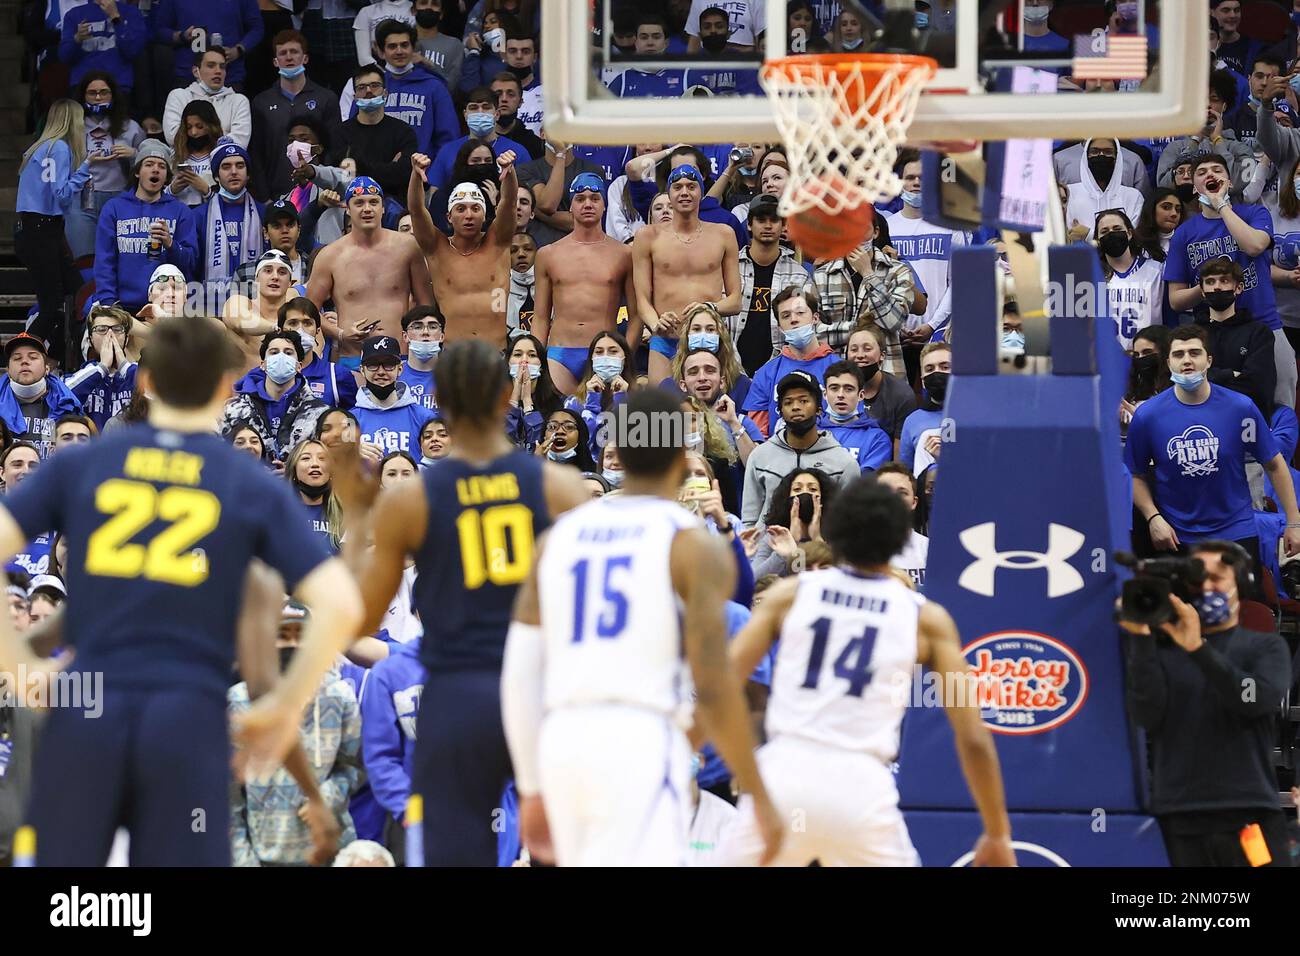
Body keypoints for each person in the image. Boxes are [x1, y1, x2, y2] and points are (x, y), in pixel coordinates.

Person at [0, 316, 363, 865]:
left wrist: (20, 667)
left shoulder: (81, 462)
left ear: (146, 383)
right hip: (187, 714)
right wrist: (287, 706)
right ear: (224, 389)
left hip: (89, 701)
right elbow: (341, 604)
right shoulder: (246, 481)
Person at [501, 387, 782, 866]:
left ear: (617, 452)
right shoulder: (691, 543)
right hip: (640, 738)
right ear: (680, 452)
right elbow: (715, 685)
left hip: (565, 740)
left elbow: (520, 672)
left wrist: (530, 786)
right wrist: (757, 792)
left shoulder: (557, 538)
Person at [334, 338, 588, 866]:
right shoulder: (560, 486)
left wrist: (357, 521)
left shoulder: (411, 499)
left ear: (442, 402)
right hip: (539, 686)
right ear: (506, 397)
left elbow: (361, 619)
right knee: (559, 849)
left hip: (453, 693)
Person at [720, 477, 1015, 867]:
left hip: (784, 774)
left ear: (836, 531)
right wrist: (997, 833)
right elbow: (973, 737)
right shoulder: (926, 619)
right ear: (900, 541)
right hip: (861, 789)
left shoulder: (790, 595)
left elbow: (718, 689)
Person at [1120, 540, 1293, 867]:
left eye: (1217, 577)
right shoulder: (1165, 651)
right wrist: (1140, 640)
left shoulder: (1265, 647)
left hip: (1249, 813)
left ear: (1241, 586)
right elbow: (1147, 715)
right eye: (1198, 577)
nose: (1206, 586)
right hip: (1179, 816)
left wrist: (1198, 648)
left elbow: (1254, 699)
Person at [1126, 325, 1300, 573]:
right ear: (1168, 363)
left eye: (1194, 353)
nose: (1187, 360)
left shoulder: (1241, 408)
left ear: (1208, 360)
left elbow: (1274, 463)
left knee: (1245, 599)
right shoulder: (1148, 416)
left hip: (1237, 532)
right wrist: (1153, 517)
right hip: (1177, 535)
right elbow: (1135, 473)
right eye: (1178, 354)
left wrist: (1294, 522)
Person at [229, 602, 362, 865]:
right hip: (265, 856)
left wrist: (326, 797)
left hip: (331, 851)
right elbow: (230, 796)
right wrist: (244, 861)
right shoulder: (240, 702)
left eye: (302, 635)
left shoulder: (339, 696)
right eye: (283, 635)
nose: (293, 644)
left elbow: (354, 767)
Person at [1165, 153, 1297, 411]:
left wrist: (1222, 206)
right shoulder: (1183, 234)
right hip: (1212, 332)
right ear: (1194, 187)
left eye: (1217, 170)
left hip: (1265, 322)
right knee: (1215, 404)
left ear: (1230, 182)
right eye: (1202, 172)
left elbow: (1255, 246)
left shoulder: (1254, 212)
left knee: (1282, 401)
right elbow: (1175, 300)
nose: (1210, 174)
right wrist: (1208, 288)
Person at [307, 176, 434, 369]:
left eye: (373, 202)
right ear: (347, 208)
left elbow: (425, 305)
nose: (367, 209)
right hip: (352, 358)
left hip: (401, 356)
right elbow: (308, 312)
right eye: (359, 203)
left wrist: (420, 344)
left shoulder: (408, 248)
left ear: (383, 208)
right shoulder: (329, 256)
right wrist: (339, 333)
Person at [633, 164, 741, 386]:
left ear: (701, 192)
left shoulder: (723, 234)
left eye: (691, 186)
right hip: (666, 340)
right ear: (669, 194)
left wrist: (709, 307)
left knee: (711, 404)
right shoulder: (647, 237)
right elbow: (642, 299)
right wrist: (655, 323)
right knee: (662, 405)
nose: (684, 192)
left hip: (708, 339)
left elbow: (735, 301)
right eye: (678, 187)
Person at [532, 175, 638, 394]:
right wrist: (536, 357)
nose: (588, 204)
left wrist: (624, 355)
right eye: (580, 199)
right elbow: (541, 317)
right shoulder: (548, 254)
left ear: (604, 204)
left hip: (605, 354)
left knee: (604, 414)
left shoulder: (624, 254)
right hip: (559, 353)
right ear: (570, 206)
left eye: (595, 198)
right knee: (561, 413)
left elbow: (636, 316)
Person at [407, 150, 518, 347]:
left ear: (485, 215)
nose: (469, 215)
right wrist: (416, 175)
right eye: (460, 209)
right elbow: (416, 210)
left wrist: (509, 172)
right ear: (449, 217)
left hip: (496, 352)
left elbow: (509, 203)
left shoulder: (498, 243)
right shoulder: (436, 247)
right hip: (453, 354)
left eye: (475, 208)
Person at [16, 100, 91, 359]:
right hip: (42, 229)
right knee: (51, 304)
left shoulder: (38, 147)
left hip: (36, 229)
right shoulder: (59, 147)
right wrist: (85, 169)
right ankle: (22, 358)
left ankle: (61, 356)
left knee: (76, 290)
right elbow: (62, 195)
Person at [91, 138, 201, 317]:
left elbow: (191, 263)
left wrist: (171, 244)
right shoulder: (114, 208)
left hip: (167, 309)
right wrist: (109, 304)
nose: (155, 169)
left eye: (162, 166)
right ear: (137, 172)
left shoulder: (181, 211)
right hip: (122, 307)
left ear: (166, 176)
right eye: (149, 164)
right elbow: (104, 261)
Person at [885, 153, 967, 385]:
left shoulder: (951, 227)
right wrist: (896, 326)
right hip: (894, 336)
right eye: (910, 177)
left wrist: (932, 325)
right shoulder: (887, 227)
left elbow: (959, 283)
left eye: (923, 177)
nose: (916, 182)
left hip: (939, 334)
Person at [250, 30, 345, 204]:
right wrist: (264, 197)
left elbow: (335, 148)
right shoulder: (261, 102)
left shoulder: (326, 98)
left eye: (294, 52)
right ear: (275, 61)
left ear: (305, 58)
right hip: (276, 194)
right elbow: (256, 153)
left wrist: (327, 186)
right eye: (283, 53)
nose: (289, 57)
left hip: (318, 193)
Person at [347, 20, 457, 158]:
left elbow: (448, 139)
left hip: (422, 169)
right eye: (392, 46)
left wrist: (434, 170)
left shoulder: (434, 87)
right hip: (374, 168)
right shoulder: (369, 87)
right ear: (381, 52)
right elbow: (352, 132)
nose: (399, 51)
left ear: (413, 48)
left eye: (404, 45)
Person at [67, 72, 144, 260]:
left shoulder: (131, 127)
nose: (98, 97)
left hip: (121, 199)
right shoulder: (72, 128)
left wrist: (134, 155)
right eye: (92, 93)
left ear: (113, 95)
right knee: (85, 260)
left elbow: (151, 164)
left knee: (121, 259)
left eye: (104, 92)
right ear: (83, 96)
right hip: (82, 201)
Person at [220, 330, 328, 463]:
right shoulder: (233, 410)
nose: (281, 357)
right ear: (263, 364)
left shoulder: (319, 413)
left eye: (288, 353)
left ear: (299, 366)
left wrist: (292, 470)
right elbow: (220, 456)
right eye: (274, 352)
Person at [733, 194, 812, 376]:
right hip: (732, 370)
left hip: (780, 371)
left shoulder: (799, 275)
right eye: (761, 220)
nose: (768, 226)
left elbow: (806, 329)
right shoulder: (729, 267)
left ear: (784, 226)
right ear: (749, 224)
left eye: (774, 220)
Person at [743, 288, 837, 438]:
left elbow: (850, 426)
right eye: (786, 315)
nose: (793, 319)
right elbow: (757, 436)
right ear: (780, 327)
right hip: (777, 451)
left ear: (815, 318)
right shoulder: (765, 374)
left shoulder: (840, 369)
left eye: (800, 312)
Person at [1198, 257, 1277, 417]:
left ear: (1239, 287)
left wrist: (1208, 377)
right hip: (1199, 417)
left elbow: (1258, 386)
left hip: (1243, 418)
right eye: (1210, 282)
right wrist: (1229, 375)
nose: (1217, 287)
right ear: (1202, 291)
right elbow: (1184, 379)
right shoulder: (1191, 334)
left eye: (1224, 281)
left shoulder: (1259, 333)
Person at [425, 86, 528, 199]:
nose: (480, 113)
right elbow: (435, 195)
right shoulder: (447, 151)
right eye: (473, 108)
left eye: (486, 107)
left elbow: (526, 194)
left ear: (497, 114)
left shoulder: (517, 152)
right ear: (465, 114)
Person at [338, 65, 420, 199]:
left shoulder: (404, 131)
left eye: (374, 85)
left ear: (385, 92)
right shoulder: (341, 133)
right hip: (352, 201)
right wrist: (390, 167)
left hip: (394, 201)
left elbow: (404, 176)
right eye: (361, 87)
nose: (368, 91)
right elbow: (342, 178)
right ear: (355, 97)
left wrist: (361, 168)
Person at [0, 334, 84, 461]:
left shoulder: (68, 406)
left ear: (47, 368)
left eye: (33, 357)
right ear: (8, 370)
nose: (24, 361)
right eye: (17, 358)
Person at [353, 335, 436, 455]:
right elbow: (340, 459)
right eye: (372, 365)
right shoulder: (349, 420)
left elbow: (438, 459)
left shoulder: (424, 417)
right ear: (362, 370)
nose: (381, 372)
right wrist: (352, 453)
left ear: (400, 369)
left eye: (389, 364)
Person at [155, 0, 265, 91]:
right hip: (187, 76)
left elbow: (257, 28)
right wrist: (181, 36)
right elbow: (159, 30)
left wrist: (238, 50)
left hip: (229, 77)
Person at [1098, 209, 1165, 352]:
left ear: (1129, 233)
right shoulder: (1092, 278)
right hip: (1108, 357)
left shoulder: (1157, 271)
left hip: (1149, 356)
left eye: (1117, 229)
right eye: (1104, 231)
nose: (1111, 234)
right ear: (1098, 240)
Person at [162, 47, 253, 149]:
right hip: (186, 159)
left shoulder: (238, 101)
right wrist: (221, 137)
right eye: (211, 66)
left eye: (222, 67)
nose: (218, 71)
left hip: (223, 159)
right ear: (196, 71)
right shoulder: (179, 96)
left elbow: (240, 141)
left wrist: (197, 137)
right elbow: (173, 136)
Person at [276, 297, 356, 410]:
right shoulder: (265, 374)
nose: (300, 330)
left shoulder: (337, 375)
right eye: (293, 323)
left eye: (307, 323)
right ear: (280, 330)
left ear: (318, 330)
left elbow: (351, 417)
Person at [66, 305, 138, 430]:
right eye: (101, 329)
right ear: (91, 340)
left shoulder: (137, 371)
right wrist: (102, 368)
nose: (110, 334)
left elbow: (158, 395)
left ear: (126, 340)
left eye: (117, 329)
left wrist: (124, 365)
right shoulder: (82, 375)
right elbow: (62, 395)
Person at [223, 249, 295, 371]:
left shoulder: (299, 315)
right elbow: (240, 321)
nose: (275, 277)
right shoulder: (239, 301)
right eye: (268, 271)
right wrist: (275, 327)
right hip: (244, 380)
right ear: (256, 279)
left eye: (282, 272)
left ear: (290, 283)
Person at [58, 0, 147, 95]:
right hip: (83, 84)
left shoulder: (131, 12)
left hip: (118, 84)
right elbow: (65, 57)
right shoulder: (74, 14)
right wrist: (77, 39)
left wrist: (115, 17)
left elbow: (132, 51)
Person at [820, 362, 892, 474]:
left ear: (861, 395)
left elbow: (866, 481)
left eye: (848, 389)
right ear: (825, 394)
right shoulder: (811, 433)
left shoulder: (877, 438)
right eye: (834, 388)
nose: (840, 395)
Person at [1065, 139, 1145, 240]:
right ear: (1086, 156)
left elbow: (1131, 237)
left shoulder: (1133, 197)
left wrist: (1088, 235)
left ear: (1117, 157)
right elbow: (1068, 233)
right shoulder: (1069, 193)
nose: (1101, 156)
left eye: (1108, 152)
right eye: (1095, 152)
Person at [505, 333, 564, 449]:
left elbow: (541, 446)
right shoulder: (493, 400)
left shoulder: (556, 402)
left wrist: (528, 404)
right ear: (508, 363)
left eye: (532, 355)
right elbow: (501, 443)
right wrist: (514, 400)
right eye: (518, 354)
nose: (524, 361)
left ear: (541, 365)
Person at [287, 438, 342, 551]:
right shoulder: (278, 513)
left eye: (322, 458)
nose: (315, 464)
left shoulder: (346, 514)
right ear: (294, 470)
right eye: (306, 458)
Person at [398, 306, 443, 413]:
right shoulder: (393, 375)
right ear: (405, 336)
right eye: (418, 327)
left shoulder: (453, 376)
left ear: (442, 336)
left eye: (433, 327)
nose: (425, 332)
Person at [491, 71, 543, 161]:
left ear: (520, 102)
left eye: (510, 94)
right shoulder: (479, 141)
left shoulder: (535, 144)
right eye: (498, 94)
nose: (504, 99)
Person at [508, 232, 537, 337]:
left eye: (528, 249)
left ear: (538, 254)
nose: (521, 254)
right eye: (513, 251)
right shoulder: (499, 290)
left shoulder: (552, 287)